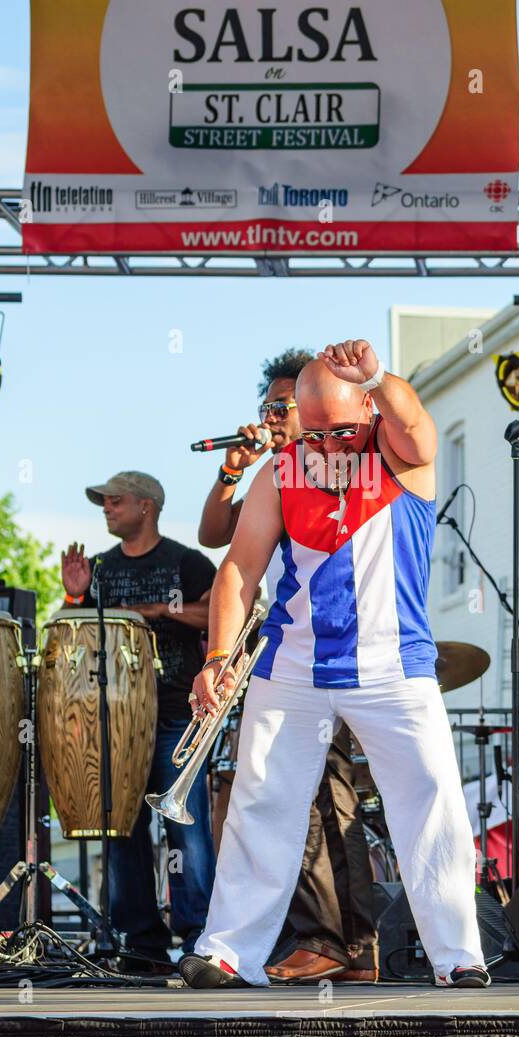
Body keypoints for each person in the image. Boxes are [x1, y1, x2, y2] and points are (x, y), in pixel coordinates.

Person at [181, 339, 489, 989]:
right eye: (312, 430)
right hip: (294, 664)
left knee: (431, 805)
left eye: (341, 429)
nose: (324, 444)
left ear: (370, 407)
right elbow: (239, 565)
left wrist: (377, 376)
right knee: (259, 802)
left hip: (394, 666)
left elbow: (415, 424)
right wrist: (217, 657)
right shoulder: (282, 471)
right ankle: (228, 951)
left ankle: (457, 957)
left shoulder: (399, 456)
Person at [198, 348, 379, 983]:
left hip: (344, 652)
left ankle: (343, 945)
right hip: (290, 654)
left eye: (284, 407)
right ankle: (322, 940)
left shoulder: (344, 465)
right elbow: (213, 536)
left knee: (329, 800)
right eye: (268, 408)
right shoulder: (274, 475)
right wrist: (232, 470)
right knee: (286, 799)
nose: (274, 418)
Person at [61, 470, 216, 970]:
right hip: (113, 718)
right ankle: (140, 946)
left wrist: (155, 611)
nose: (106, 508)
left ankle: (199, 943)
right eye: (103, 502)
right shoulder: (100, 568)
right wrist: (75, 597)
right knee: (120, 829)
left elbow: (217, 613)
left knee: (185, 828)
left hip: (175, 713)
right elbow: (75, 640)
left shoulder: (187, 561)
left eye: (115, 501)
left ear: (146, 506)